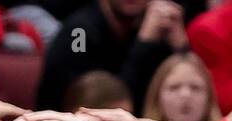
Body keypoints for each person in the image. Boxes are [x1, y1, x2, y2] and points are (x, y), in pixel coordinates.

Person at [39, 0, 189, 111]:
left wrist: (180, 48)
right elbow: (96, 105)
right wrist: (144, 44)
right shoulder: (79, 33)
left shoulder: (153, 27)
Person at [142, 51, 221, 121]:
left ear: (209, 99)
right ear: (157, 98)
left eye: (195, 88)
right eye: (174, 87)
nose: (186, 95)